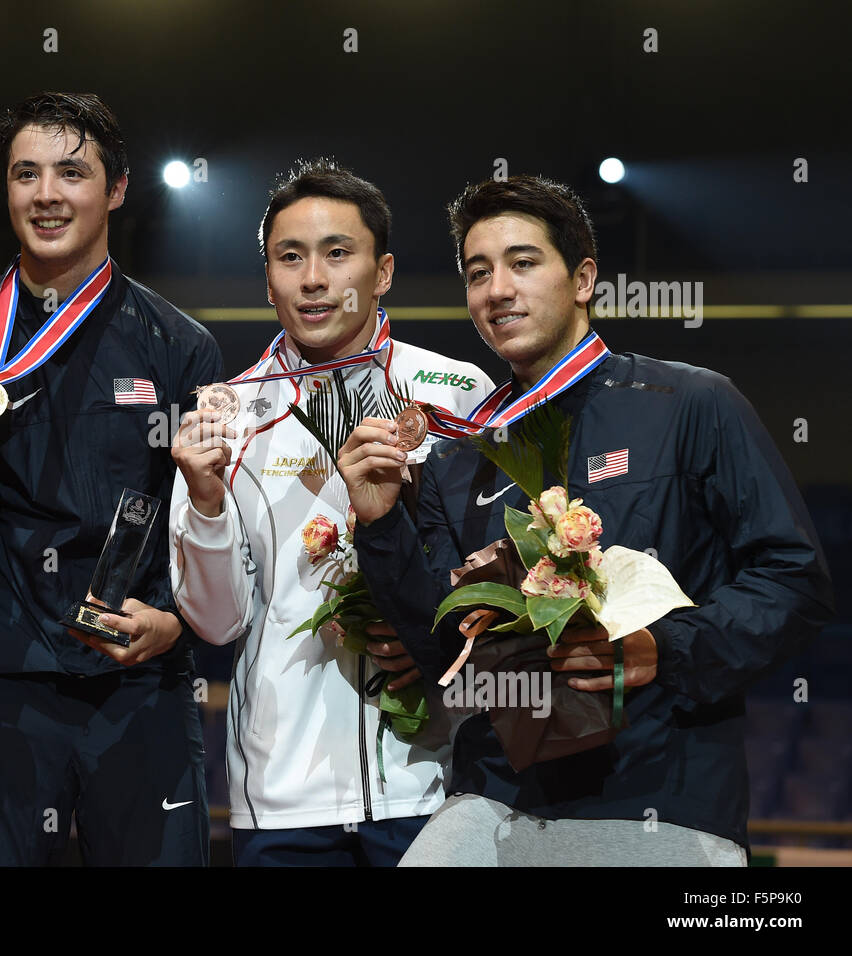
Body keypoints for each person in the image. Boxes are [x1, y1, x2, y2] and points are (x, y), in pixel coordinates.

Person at [340, 175, 835, 865]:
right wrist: (381, 523)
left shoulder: (690, 403)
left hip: (659, 794)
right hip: (497, 795)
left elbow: (794, 582)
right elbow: (441, 647)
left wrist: (667, 649)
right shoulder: (461, 459)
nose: (496, 290)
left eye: (523, 262)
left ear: (583, 279)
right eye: (478, 272)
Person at [0, 92, 223, 866]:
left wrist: (178, 624)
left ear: (116, 189)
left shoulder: (180, 347)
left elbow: (212, 532)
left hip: (141, 684)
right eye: (26, 174)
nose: (45, 194)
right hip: (3, 691)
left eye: (71, 172)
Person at [169, 159, 492, 866]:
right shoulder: (229, 414)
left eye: (336, 252)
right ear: (268, 279)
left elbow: (495, 584)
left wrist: (440, 649)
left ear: (382, 273)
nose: (313, 278)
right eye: (290, 257)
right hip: (283, 794)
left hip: (434, 786)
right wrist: (205, 500)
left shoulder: (457, 392)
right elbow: (218, 622)